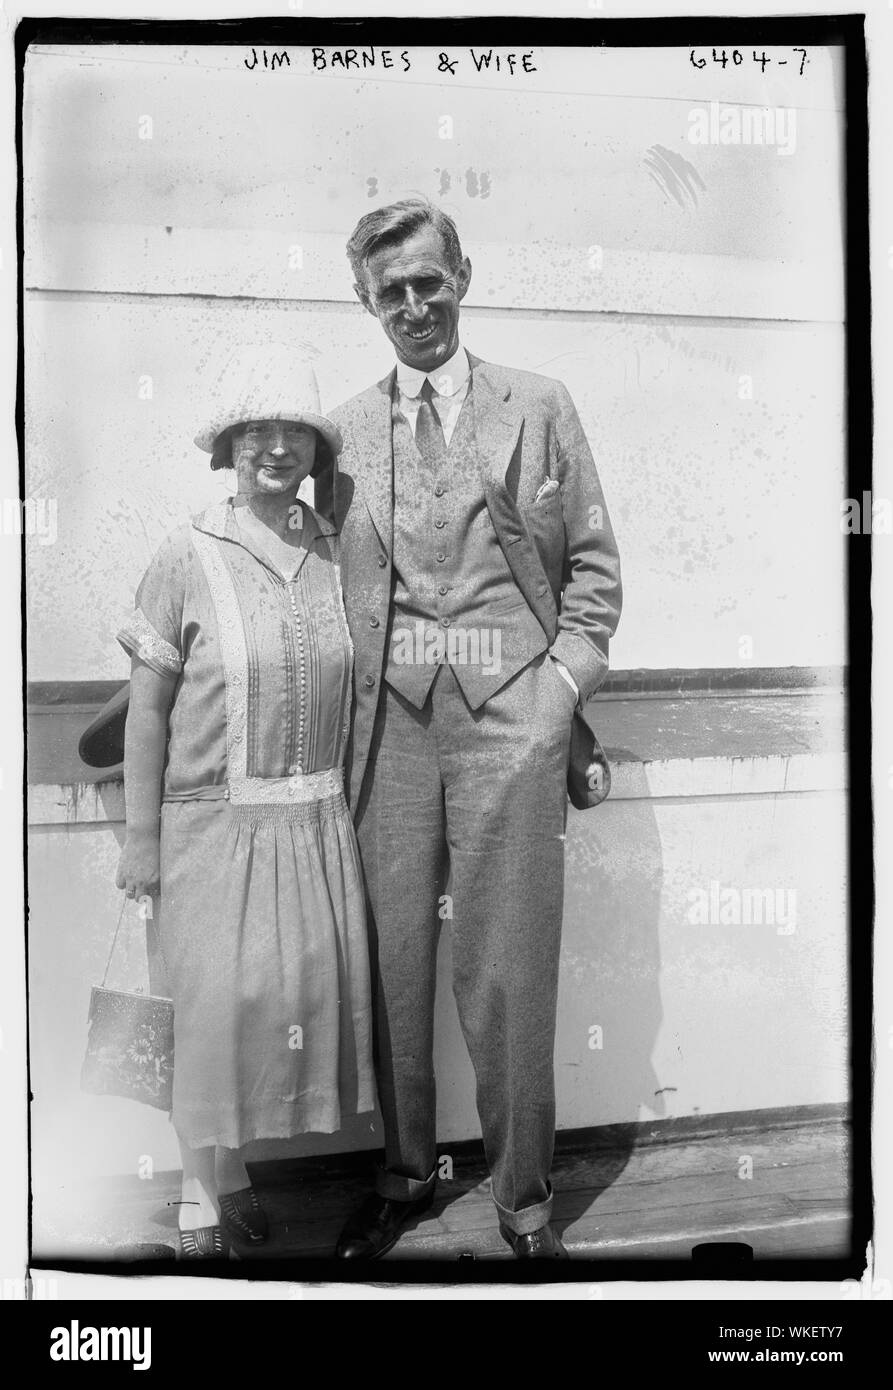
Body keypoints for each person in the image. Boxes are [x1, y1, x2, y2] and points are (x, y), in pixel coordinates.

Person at [322, 199, 623, 1261]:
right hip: (389, 732)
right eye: (389, 288)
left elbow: (592, 571)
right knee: (393, 964)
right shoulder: (341, 431)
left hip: (513, 725)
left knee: (507, 970)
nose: (412, 304)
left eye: (427, 280)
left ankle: (524, 1198)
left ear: (462, 277)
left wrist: (556, 699)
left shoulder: (538, 405)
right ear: (365, 299)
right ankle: (406, 1171)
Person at [114, 348, 374, 1260]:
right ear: (228, 448)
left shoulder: (336, 548)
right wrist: (140, 840)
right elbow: (146, 710)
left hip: (311, 825)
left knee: (270, 1011)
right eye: (254, 432)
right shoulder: (186, 551)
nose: (274, 447)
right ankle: (198, 1191)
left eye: (291, 431)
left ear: (313, 448)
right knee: (209, 1007)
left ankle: (235, 1174)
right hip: (208, 830)